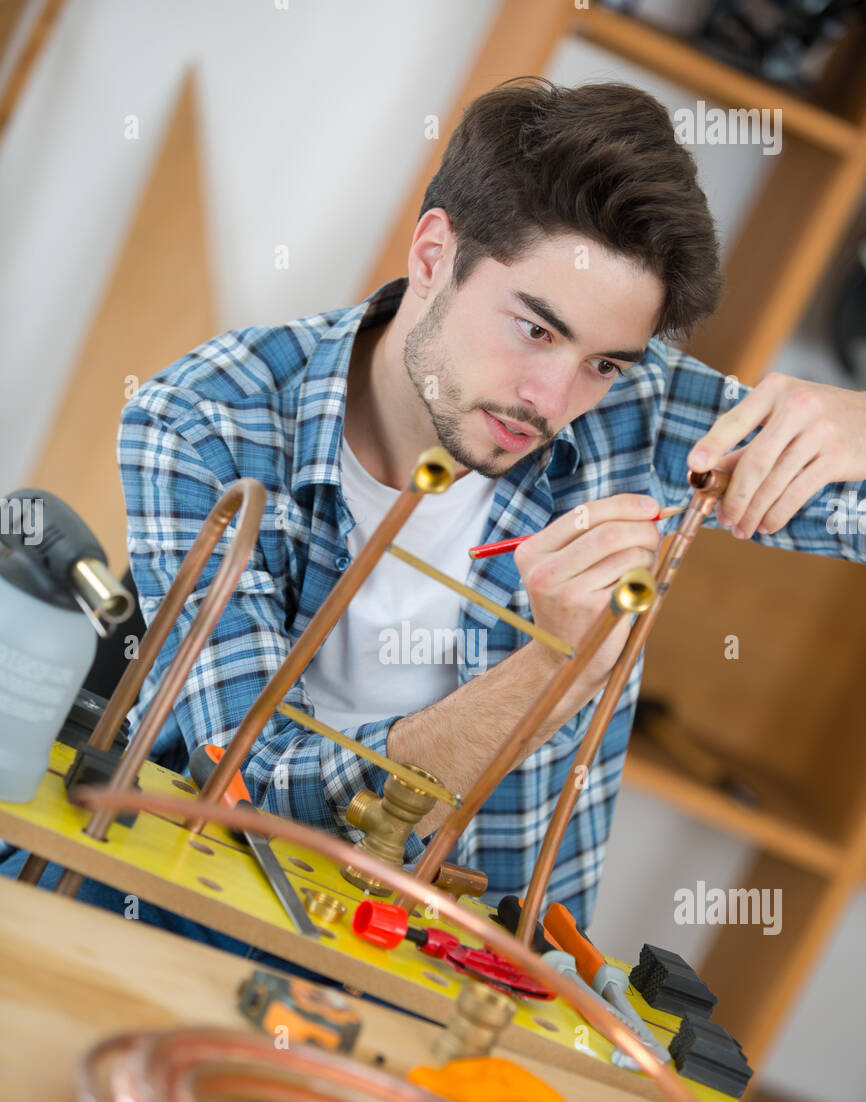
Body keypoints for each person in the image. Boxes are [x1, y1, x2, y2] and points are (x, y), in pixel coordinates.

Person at [5, 78, 865, 954]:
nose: (551, 400)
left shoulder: (634, 406)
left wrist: (861, 425)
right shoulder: (205, 420)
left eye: (603, 363)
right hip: (201, 898)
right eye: (534, 330)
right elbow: (253, 786)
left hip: (463, 962)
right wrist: (552, 668)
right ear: (432, 255)